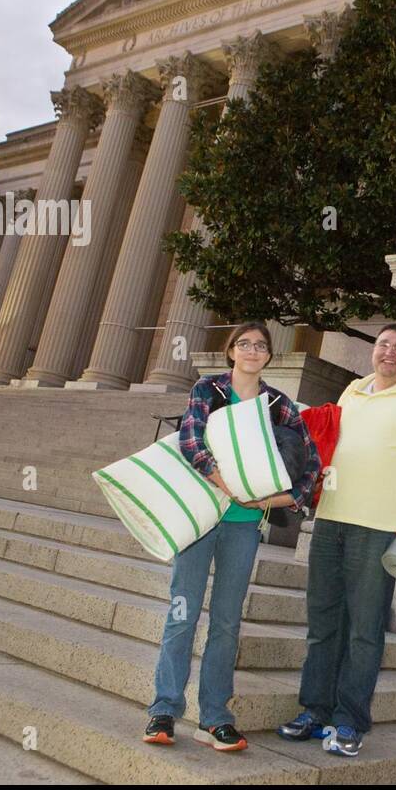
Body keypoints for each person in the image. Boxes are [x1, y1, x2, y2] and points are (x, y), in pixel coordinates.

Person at [277, 323, 396, 756]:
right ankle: (315, 711)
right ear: (372, 352)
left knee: (364, 629)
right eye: (383, 344)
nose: (390, 352)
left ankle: (350, 721)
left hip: (380, 530)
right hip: (331, 522)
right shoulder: (352, 392)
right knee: (323, 623)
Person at [143, 321, 321, 751]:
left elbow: (311, 461)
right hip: (201, 514)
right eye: (245, 344)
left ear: (268, 356)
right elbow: (189, 438)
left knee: (226, 621)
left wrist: (279, 502)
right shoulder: (209, 390)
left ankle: (214, 717)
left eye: (261, 346)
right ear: (231, 350)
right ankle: (163, 710)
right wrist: (221, 480)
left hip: (244, 523)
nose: (252, 351)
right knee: (182, 612)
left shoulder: (278, 403)